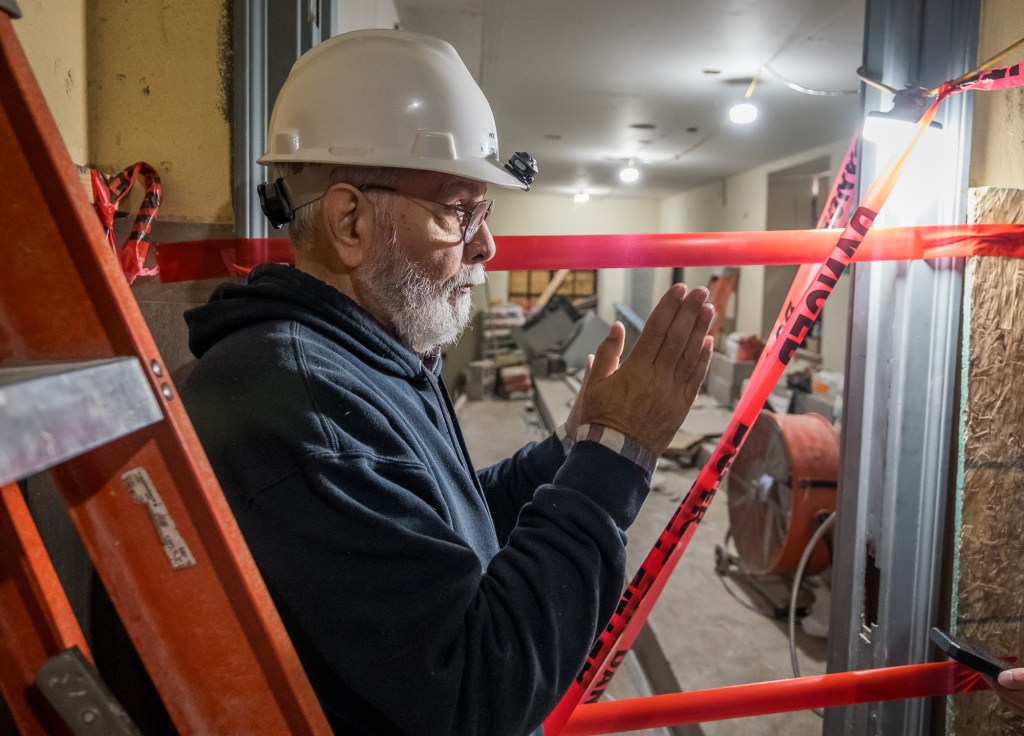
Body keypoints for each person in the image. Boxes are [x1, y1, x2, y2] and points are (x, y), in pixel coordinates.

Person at [181, 29, 713, 735]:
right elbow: (479, 693)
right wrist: (613, 463)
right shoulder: (305, 411)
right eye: (459, 211)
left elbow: (447, 529)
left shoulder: (368, 357)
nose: (486, 245)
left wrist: (571, 450)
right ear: (349, 221)